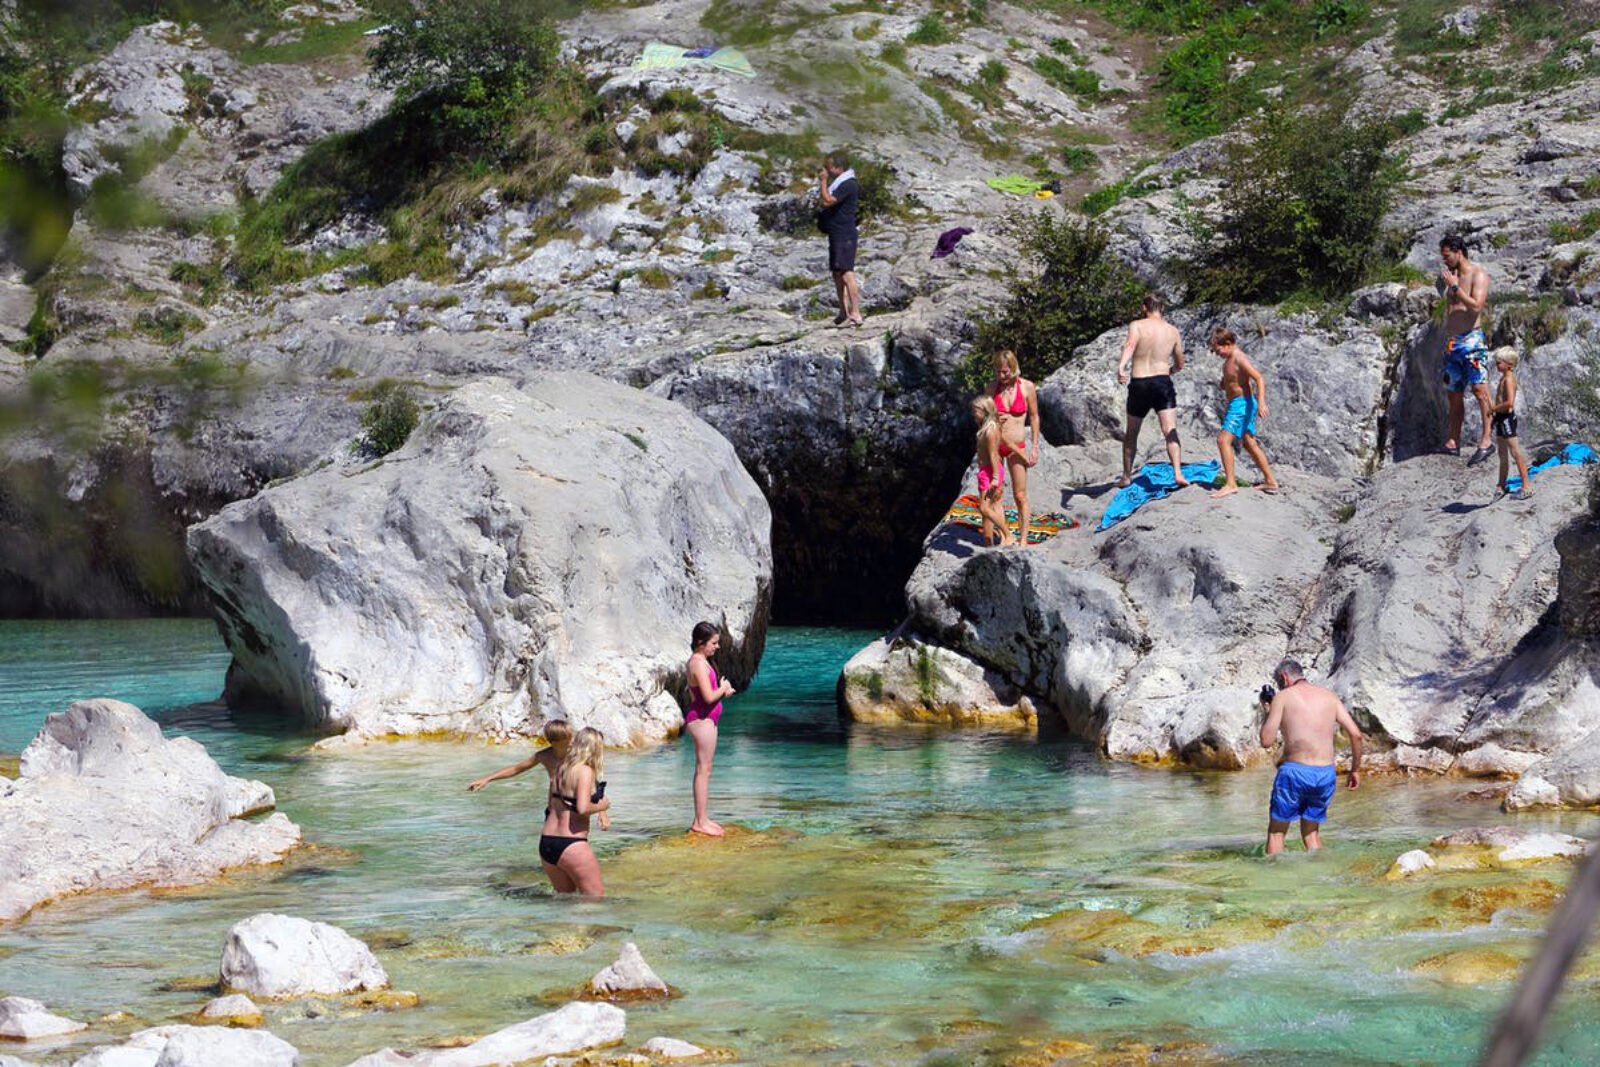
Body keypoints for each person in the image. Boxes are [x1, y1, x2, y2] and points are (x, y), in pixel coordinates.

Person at [466, 720, 611, 897]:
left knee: (565, 899)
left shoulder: (560, 768)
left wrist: (601, 813)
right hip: (571, 842)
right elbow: (584, 804)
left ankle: (559, 925)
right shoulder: (578, 767)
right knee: (596, 900)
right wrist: (603, 806)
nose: (572, 741)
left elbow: (589, 791)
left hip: (547, 841)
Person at [1257, 659, 1363, 855]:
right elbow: (1356, 735)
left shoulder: (1283, 697)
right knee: (1311, 833)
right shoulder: (1330, 697)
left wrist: (1268, 711)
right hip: (1325, 774)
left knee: (1277, 833)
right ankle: (1320, 877)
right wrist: (1355, 769)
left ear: (1284, 677)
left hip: (1295, 773)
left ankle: (1273, 879)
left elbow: (1266, 740)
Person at [1116, 293, 1187, 489]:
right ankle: (1178, 473)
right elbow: (1180, 363)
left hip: (1139, 382)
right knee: (1169, 429)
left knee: (1131, 432)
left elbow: (1130, 345)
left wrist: (1121, 367)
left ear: (1144, 308)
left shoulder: (1137, 325)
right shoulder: (1172, 331)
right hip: (1162, 382)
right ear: (1162, 309)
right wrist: (1170, 371)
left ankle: (1126, 476)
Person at [1438, 234, 1494, 465]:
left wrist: (1455, 288)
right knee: (1454, 393)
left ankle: (1487, 440)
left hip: (1471, 340)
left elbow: (1476, 306)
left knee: (1480, 391)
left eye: (1447, 256)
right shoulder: (1450, 276)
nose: (1445, 261)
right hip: (1452, 343)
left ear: (1458, 251)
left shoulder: (1477, 274)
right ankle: (1453, 440)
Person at [1208, 328, 1280, 499]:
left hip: (1241, 405)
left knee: (1223, 440)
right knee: (1249, 443)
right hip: (1240, 403)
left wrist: (1261, 402)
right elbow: (1233, 379)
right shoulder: (1229, 360)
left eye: (1218, 350)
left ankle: (1231, 483)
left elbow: (1259, 378)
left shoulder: (1239, 358)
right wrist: (1224, 383)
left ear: (1227, 344)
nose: (1217, 354)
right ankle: (1271, 481)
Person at [686, 621, 737, 837]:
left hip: (707, 719)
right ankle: (700, 821)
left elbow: (703, 694)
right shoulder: (697, 663)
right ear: (700, 643)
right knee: (703, 770)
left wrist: (722, 691)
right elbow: (706, 697)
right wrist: (723, 688)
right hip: (701, 720)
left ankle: (702, 818)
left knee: (705, 769)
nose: (717, 647)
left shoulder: (702, 661)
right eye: (713, 643)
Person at [989, 350, 1041, 543]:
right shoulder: (992, 388)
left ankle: (1024, 538)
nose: (1001, 376)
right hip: (995, 446)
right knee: (997, 494)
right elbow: (980, 418)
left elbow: (1034, 417)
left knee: (1020, 495)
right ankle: (1005, 536)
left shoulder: (1027, 387)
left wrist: (1035, 447)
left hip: (1017, 446)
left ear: (1014, 368)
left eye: (1005, 372)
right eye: (998, 372)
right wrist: (992, 418)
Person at [817, 152, 862, 327]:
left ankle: (856, 312)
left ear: (838, 167)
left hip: (845, 233)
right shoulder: (840, 183)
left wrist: (822, 181)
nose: (827, 170)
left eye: (829, 166)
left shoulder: (848, 184)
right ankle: (843, 311)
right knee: (837, 273)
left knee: (846, 272)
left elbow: (827, 201)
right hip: (836, 232)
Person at [1490, 346, 1534, 500]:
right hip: (1500, 419)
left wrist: (1493, 408)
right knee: (1502, 453)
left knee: (1515, 452)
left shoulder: (1509, 379)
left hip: (1507, 419)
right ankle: (1501, 485)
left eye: (1499, 362)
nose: (1497, 365)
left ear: (1509, 364)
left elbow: (1509, 403)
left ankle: (1526, 486)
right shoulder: (1502, 378)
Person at [971, 395, 1014, 547]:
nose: (973, 414)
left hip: (990, 473)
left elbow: (993, 454)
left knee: (984, 507)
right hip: (990, 471)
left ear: (984, 411)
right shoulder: (991, 426)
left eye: (975, 411)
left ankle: (1008, 535)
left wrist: (995, 477)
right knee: (996, 505)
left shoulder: (989, 431)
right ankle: (1002, 539)